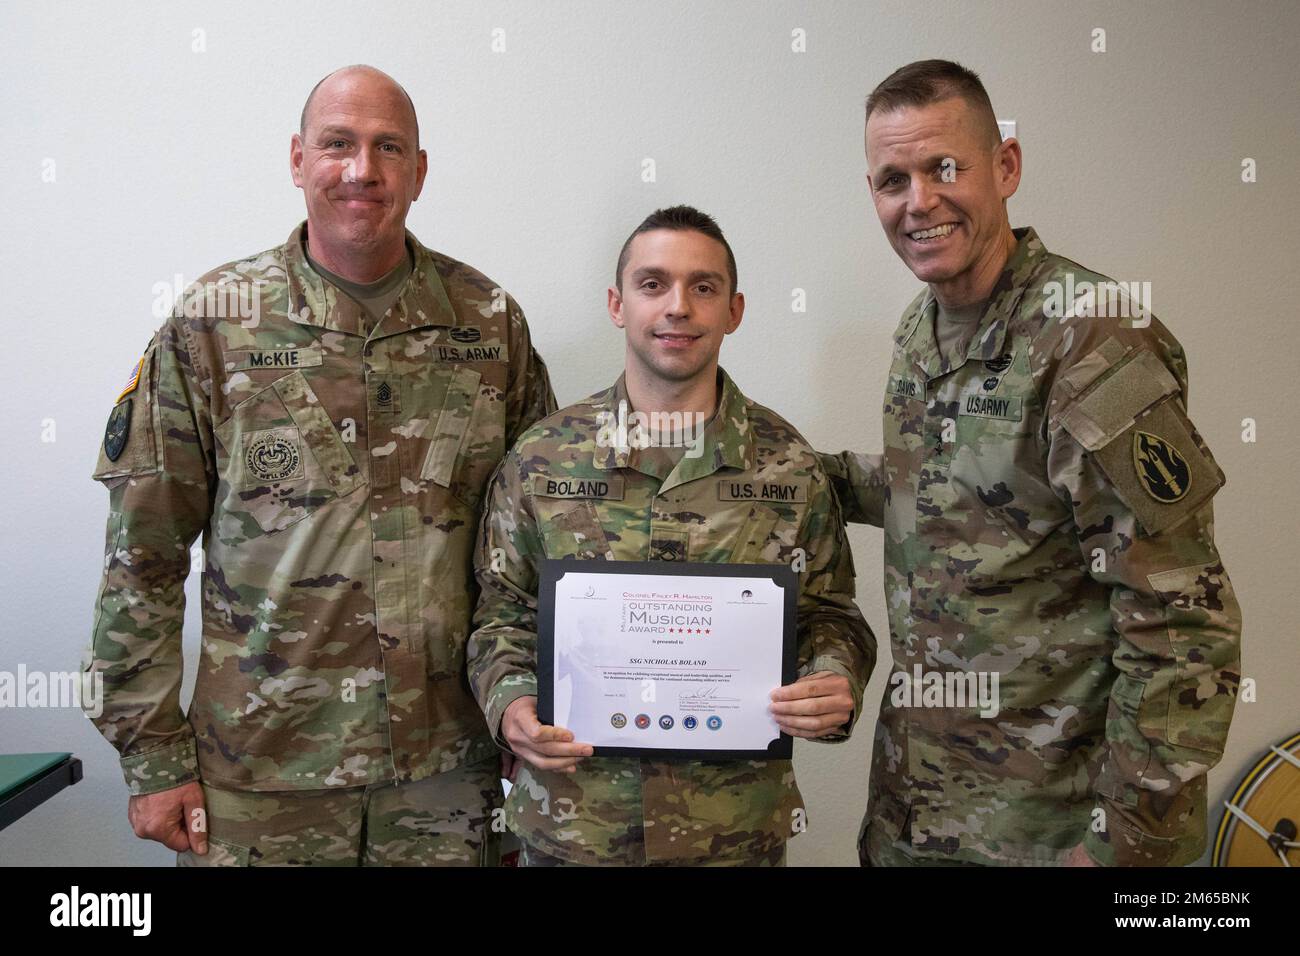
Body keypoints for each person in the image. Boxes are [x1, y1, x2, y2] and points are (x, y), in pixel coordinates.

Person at [83, 64, 555, 866]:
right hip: (262, 773)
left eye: (388, 148)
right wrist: (153, 758)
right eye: (338, 144)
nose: (362, 170)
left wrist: (532, 702)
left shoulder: (488, 322)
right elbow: (144, 556)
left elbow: (540, 550)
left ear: (419, 170)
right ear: (298, 159)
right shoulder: (214, 322)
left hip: (449, 773)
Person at [821, 59, 1242, 867]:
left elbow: (1185, 616)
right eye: (891, 179)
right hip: (921, 810)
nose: (919, 201)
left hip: (1052, 832)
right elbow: (950, 491)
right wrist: (788, 473)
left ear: (1005, 166)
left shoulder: (1093, 340)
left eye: (945, 167)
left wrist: (1127, 842)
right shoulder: (922, 328)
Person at [468, 205, 875, 866]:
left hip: (731, 834)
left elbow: (832, 617)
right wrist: (510, 701)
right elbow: (500, 616)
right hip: (575, 829)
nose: (678, 306)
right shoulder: (541, 460)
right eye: (653, 284)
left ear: (734, 310)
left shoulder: (790, 467)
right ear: (617, 304)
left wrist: (833, 678)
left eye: (703, 287)